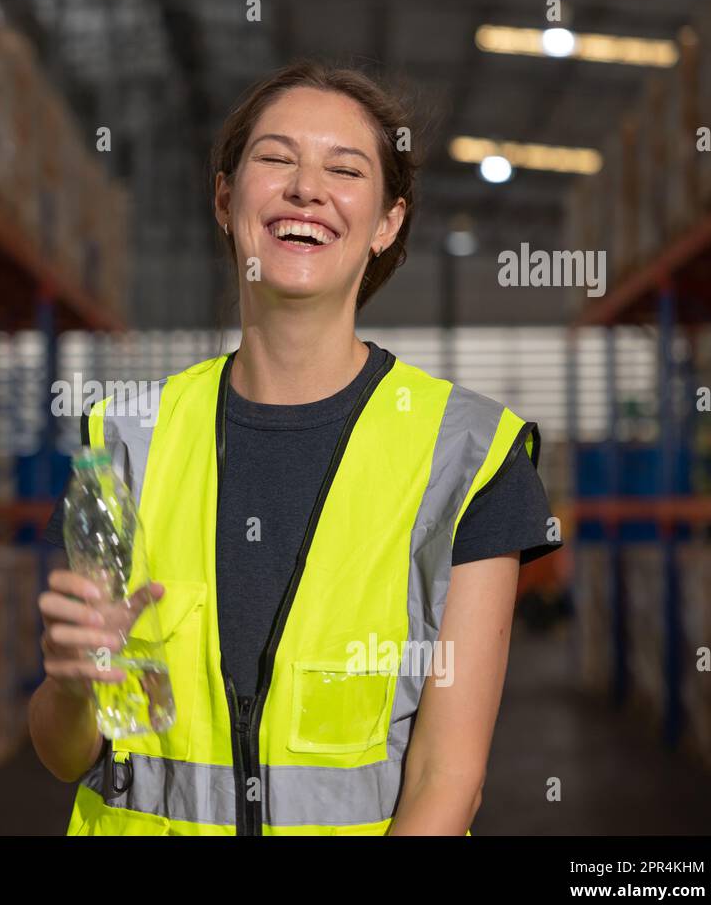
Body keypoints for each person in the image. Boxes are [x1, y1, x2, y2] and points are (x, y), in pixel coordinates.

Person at [28, 60, 562, 836]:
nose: (306, 188)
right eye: (276, 159)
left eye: (345, 170)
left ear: (387, 223)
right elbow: (62, 752)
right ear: (224, 198)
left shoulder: (467, 457)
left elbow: (448, 781)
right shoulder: (125, 441)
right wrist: (73, 688)